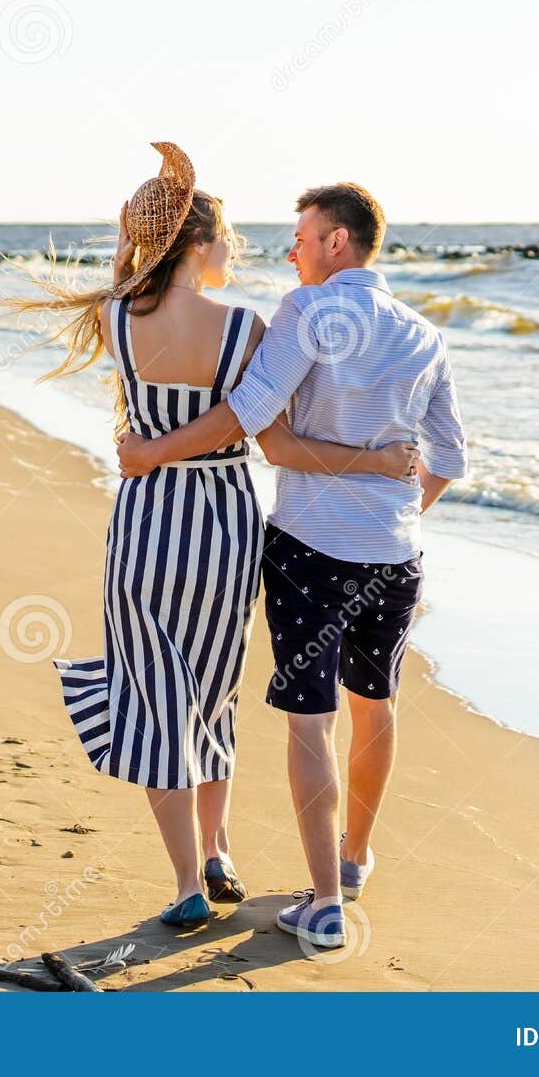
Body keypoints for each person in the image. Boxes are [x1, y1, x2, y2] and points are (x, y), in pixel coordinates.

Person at [10, 145, 417, 927]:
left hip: (146, 519)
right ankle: (220, 843)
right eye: (227, 237)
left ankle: (187, 882)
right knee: (211, 694)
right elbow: (253, 420)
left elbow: (137, 319)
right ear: (199, 243)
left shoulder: (111, 316)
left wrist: (140, 229)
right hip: (224, 523)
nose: (237, 251)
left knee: (155, 696)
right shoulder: (246, 328)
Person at [116, 181, 467, 949]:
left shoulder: (306, 312)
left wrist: (147, 453)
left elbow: (256, 427)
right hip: (395, 555)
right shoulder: (422, 332)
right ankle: (354, 862)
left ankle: (325, 906)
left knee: (312, 725)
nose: (291, 250)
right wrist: (396, 508)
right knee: (377, 706)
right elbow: (450, 457)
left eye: (302, 237)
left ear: (337, 241)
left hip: (310, 547)